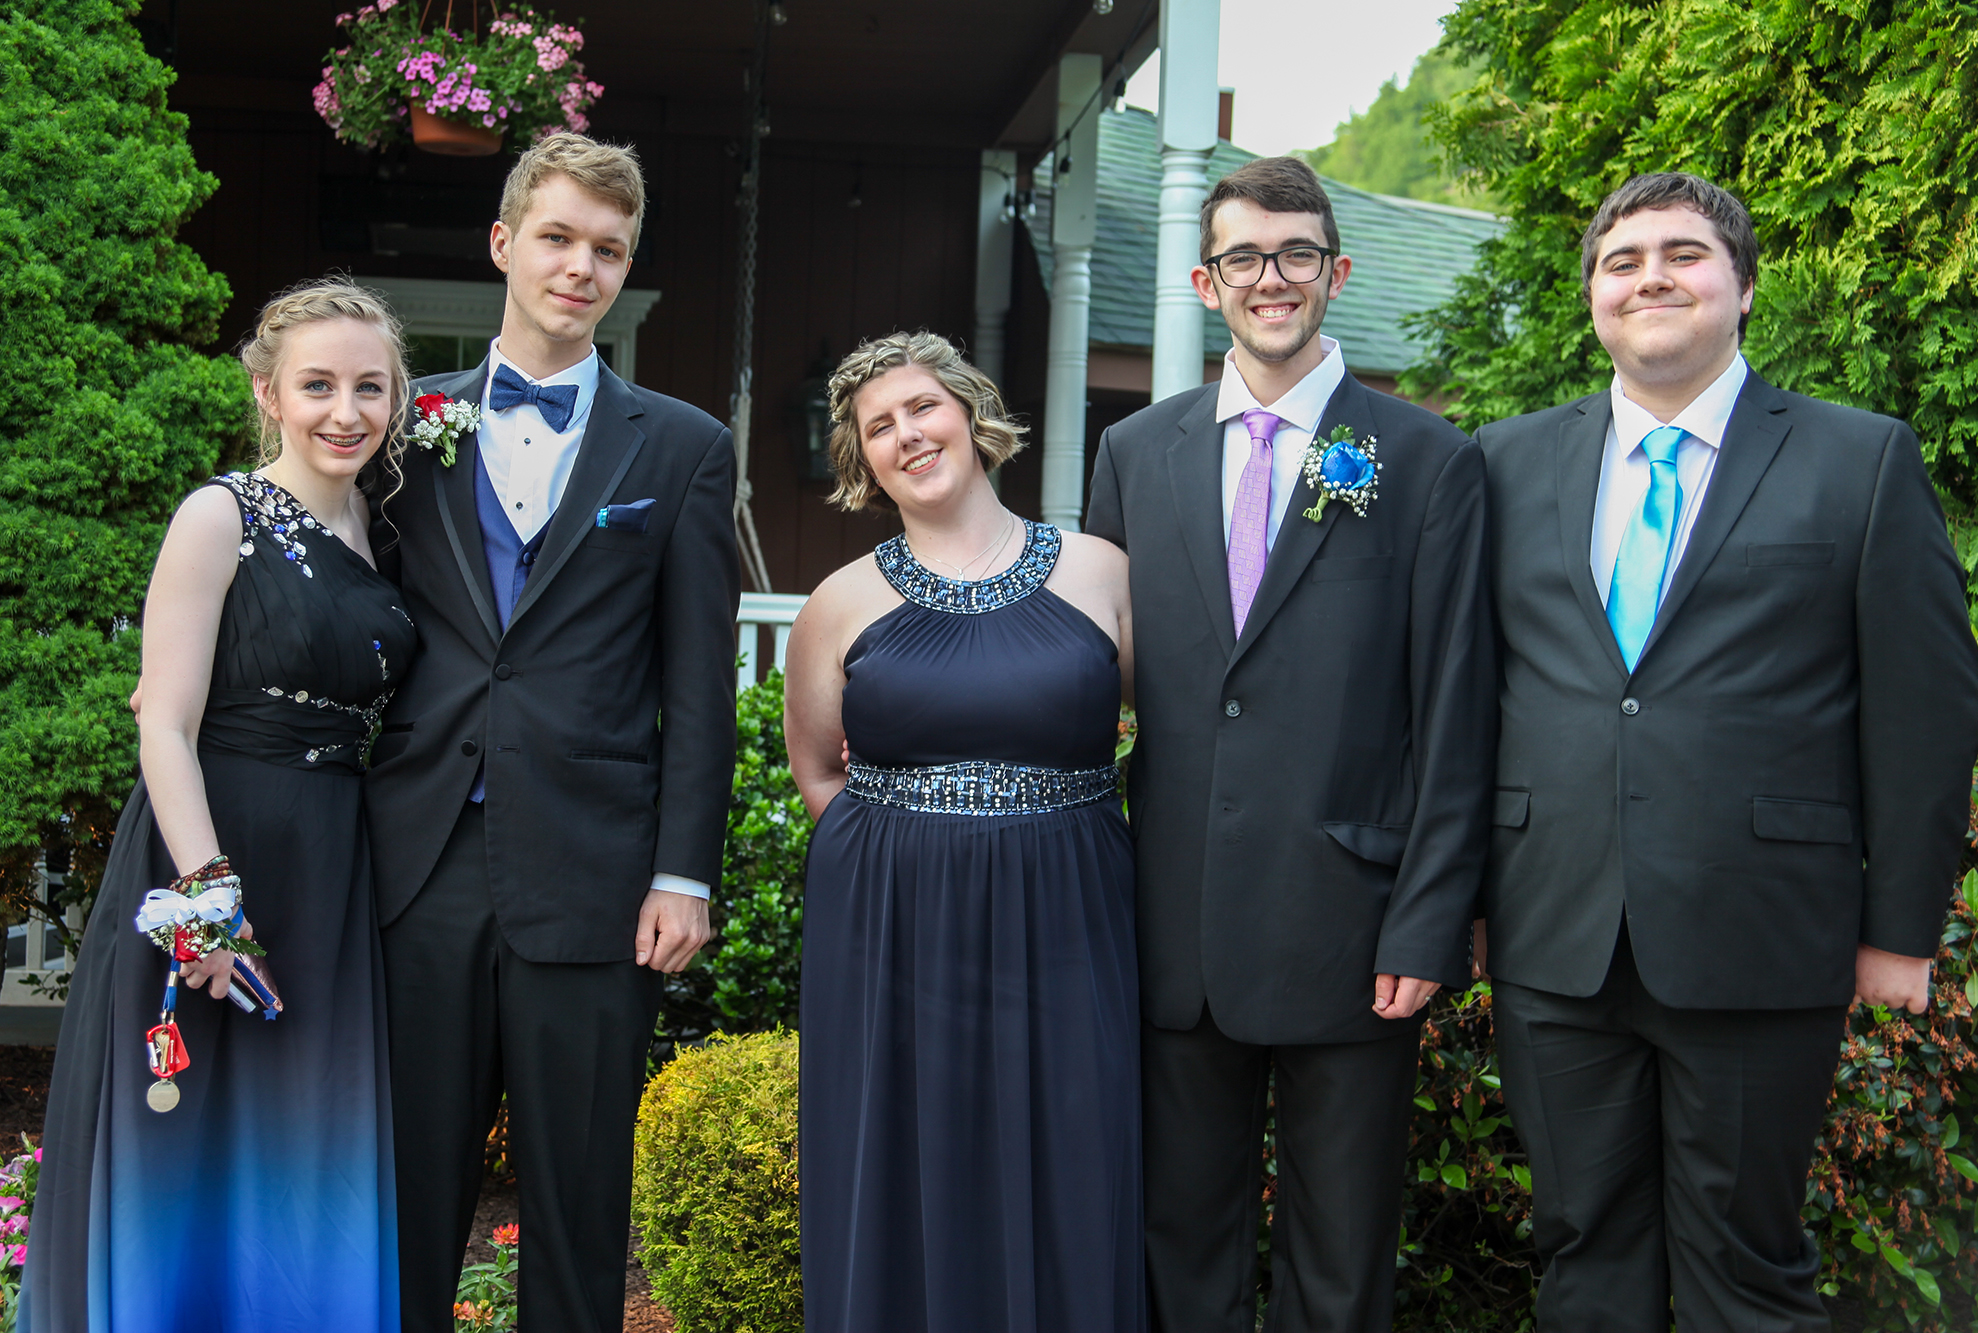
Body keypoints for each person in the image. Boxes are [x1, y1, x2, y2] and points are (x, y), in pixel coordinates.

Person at [1473, 171, 1978, 1332]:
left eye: (1682, 254)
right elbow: (1465, 695)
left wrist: (1899, 931)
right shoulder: (1501, 463)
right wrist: (1456, 888)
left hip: (1759, 931)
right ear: (1590, 298)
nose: (1648, 274)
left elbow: (1923, 707)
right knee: (1579, 1251)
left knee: (1743, 1270)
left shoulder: (1857, 461)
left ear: (1742, 288)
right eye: (1619, 259)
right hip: (1551, 932)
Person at [1082, 155, 1495, 1331]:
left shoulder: (1426, 461)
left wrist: (1426, 913)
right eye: (1244, 258)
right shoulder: (1134, 454)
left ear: (1335, 272)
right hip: (1171, 925)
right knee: (1178, 1245)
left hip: (1353, 928)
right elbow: (1088, 673)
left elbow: (1455, 708)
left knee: (1341, 1250)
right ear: (1206, 282)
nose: (1272, 278)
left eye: (1296, 254)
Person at [362, 133, 738, 1333]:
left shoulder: (680, 446)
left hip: (596, 871)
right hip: (416, 862)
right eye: (559, 239)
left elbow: (699, 680)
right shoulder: (403, 425)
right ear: (503, 245)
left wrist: (684, 868)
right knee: (409, 1187)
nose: (581, 267)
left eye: (608, 249)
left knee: (580, 1195)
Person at [22, 278, 414, 1331]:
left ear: (397, 400)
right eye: (318, 384)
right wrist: (206, 903)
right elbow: (164, 720)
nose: (346, 411)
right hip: (210, 847)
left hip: (334, 865)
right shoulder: (218, 515)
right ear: (267, 391)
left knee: (305, 1130)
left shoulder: (385, 535)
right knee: (191, 1129)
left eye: (369, 388)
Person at [785, 331, 1143, 1332]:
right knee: (906, 1153)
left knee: (1074, 1142)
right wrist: (922, 847)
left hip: (1072, 910)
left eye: (922, 407)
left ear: (972, 415)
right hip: (893, 929)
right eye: (878, 426)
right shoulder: (838, 603)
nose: (908, 433)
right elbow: (817, 767)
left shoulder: (1099, 571)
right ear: (863, 460)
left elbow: (1174, 735)